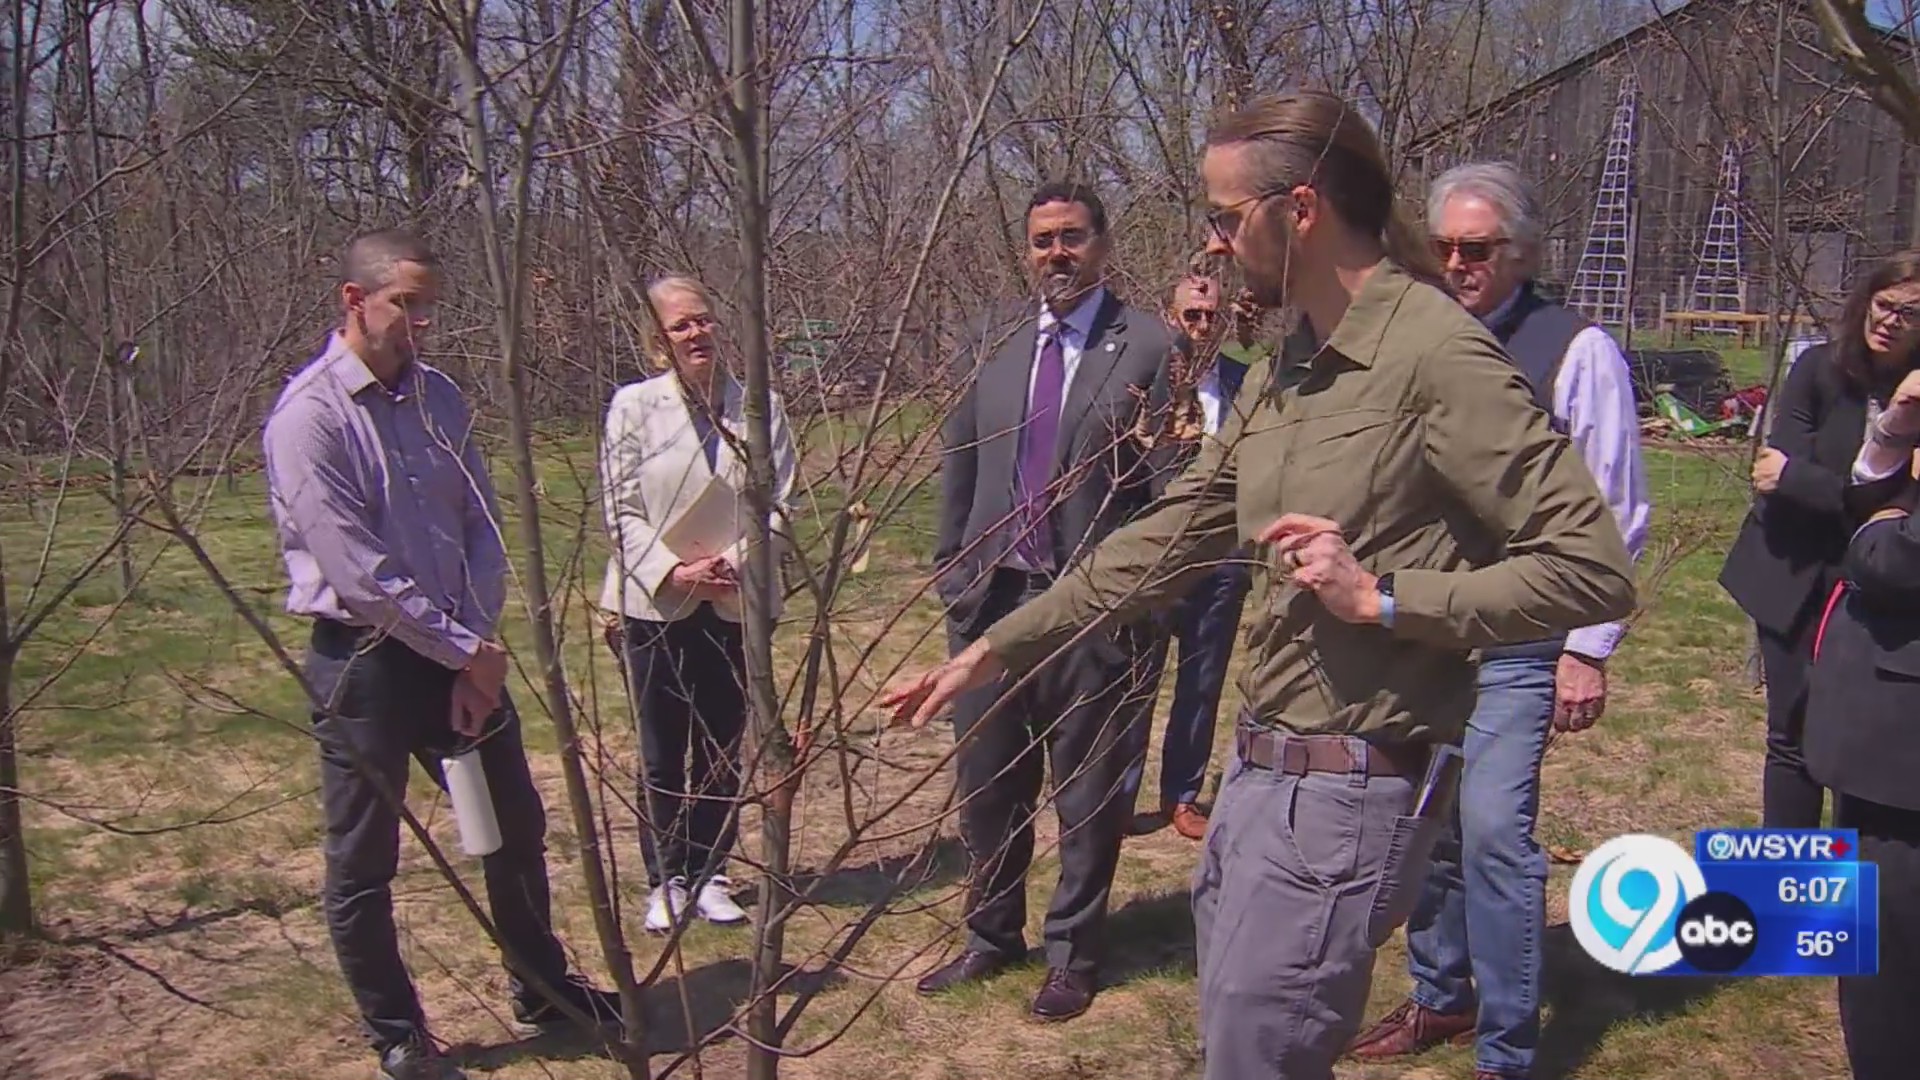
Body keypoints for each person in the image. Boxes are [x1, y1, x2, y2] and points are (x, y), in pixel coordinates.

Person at [879, 92, 1636, 1079]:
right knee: (1233, 1048)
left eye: (1226, 216)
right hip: (1256, 780)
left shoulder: (1437, 353)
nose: (1216, 242)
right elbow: (1172, 533)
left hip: (1347, 791)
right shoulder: (1295, 364)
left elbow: (1589, 566)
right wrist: (997, 645)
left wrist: (1386, 598)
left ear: (1301, 209)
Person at [263, 229, 620, 1080]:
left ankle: (543, 986)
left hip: (461, 655)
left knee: (513, 827)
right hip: (366, 667)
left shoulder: (440, 398)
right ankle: (398, 1033)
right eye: (407, 305)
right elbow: (357, 572)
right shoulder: (309, 417)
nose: (423, 322)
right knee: (364, 860)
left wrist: (473, 646)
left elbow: (479, 524)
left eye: (430, 306)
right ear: (355, 301)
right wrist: (465, 650)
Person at [1349, 161, 1652, 1080]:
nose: (1456, 264)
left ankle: (1508, 1049)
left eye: (1475, 249)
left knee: (1492, 835)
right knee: (1429, 824)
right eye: (1443, 247)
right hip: (1423, 621)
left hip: (1521, 636)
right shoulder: (1422, 335)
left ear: (1521, 252)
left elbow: (1617, 510)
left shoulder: (1576, 350)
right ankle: (1442, 995)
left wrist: (1587, 649)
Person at [918, 180, 1178, 1021]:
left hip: (1091, 607)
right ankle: (991, 935)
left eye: (1072, 237)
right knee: (988, 783)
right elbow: (960, 463)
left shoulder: (1149, 348)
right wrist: (956, 577)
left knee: (1086, 789)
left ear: (1102, 244)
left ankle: (1073, 953)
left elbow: (1171, 494)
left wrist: (1141, 603)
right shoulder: (990, 342)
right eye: (1042, 240)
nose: (1057, 253)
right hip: (993, 602)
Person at [598, 275, 797, 935]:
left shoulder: (758, 408)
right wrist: (674, 571)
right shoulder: (633, 407)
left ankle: (711, 871)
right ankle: (666, 878)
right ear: (659, 340)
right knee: (663, 747)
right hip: (657, 604)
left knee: (719, 743)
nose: (697, 333)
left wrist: (733, 563)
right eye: (681, 325)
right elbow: (620, 509)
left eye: (704, 320)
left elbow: (780, 504)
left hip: (734, 601)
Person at [1719, 250, 1920, 828]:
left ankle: (1857, 873)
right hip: (1793, 573)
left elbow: (1795, 475)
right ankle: (1790, 877)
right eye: (1883, 305)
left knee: (1862, 742)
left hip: (1879, 586)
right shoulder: (1819, 370)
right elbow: (1774, 479)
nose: (1889, 322)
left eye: (1909, 314)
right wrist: (1869, 498)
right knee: (1791, 735)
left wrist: (1803, 480)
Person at [1802, 362, 1920, 1080]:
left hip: (1901, 758)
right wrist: (1895, 432)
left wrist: (1881, 531)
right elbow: (1865, 488)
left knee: (1889, 969)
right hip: (1883, 742)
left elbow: (1897, 559)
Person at [1122, 273, 1253, 841]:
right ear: (1171, 316)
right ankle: (1119, 795)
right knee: (1137, 678)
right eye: (1191, 315)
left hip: (1222, 556)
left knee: (1202, 681)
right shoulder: (1144, 382)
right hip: (1156, 553)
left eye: (1211, 316)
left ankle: (1182, 795)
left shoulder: (1247, 384)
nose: (1202, 326)